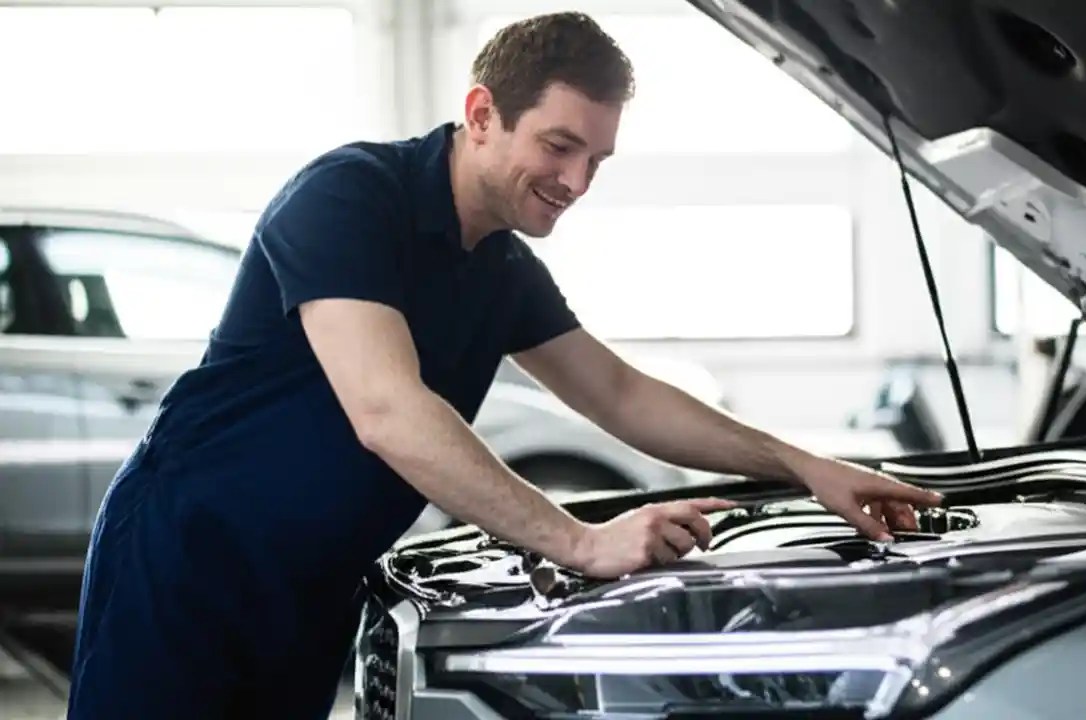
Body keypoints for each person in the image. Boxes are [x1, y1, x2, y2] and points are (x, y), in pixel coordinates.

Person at [67, 11, 943, 718]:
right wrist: (578, 541)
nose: (578, 181)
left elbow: (621, 393)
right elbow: (388, 412)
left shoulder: (502, 269)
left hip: (310, 588)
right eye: (559, 146)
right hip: (190, 563)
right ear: (482, 114)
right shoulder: (348, 198)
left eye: (596, 159)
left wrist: (805, 467)